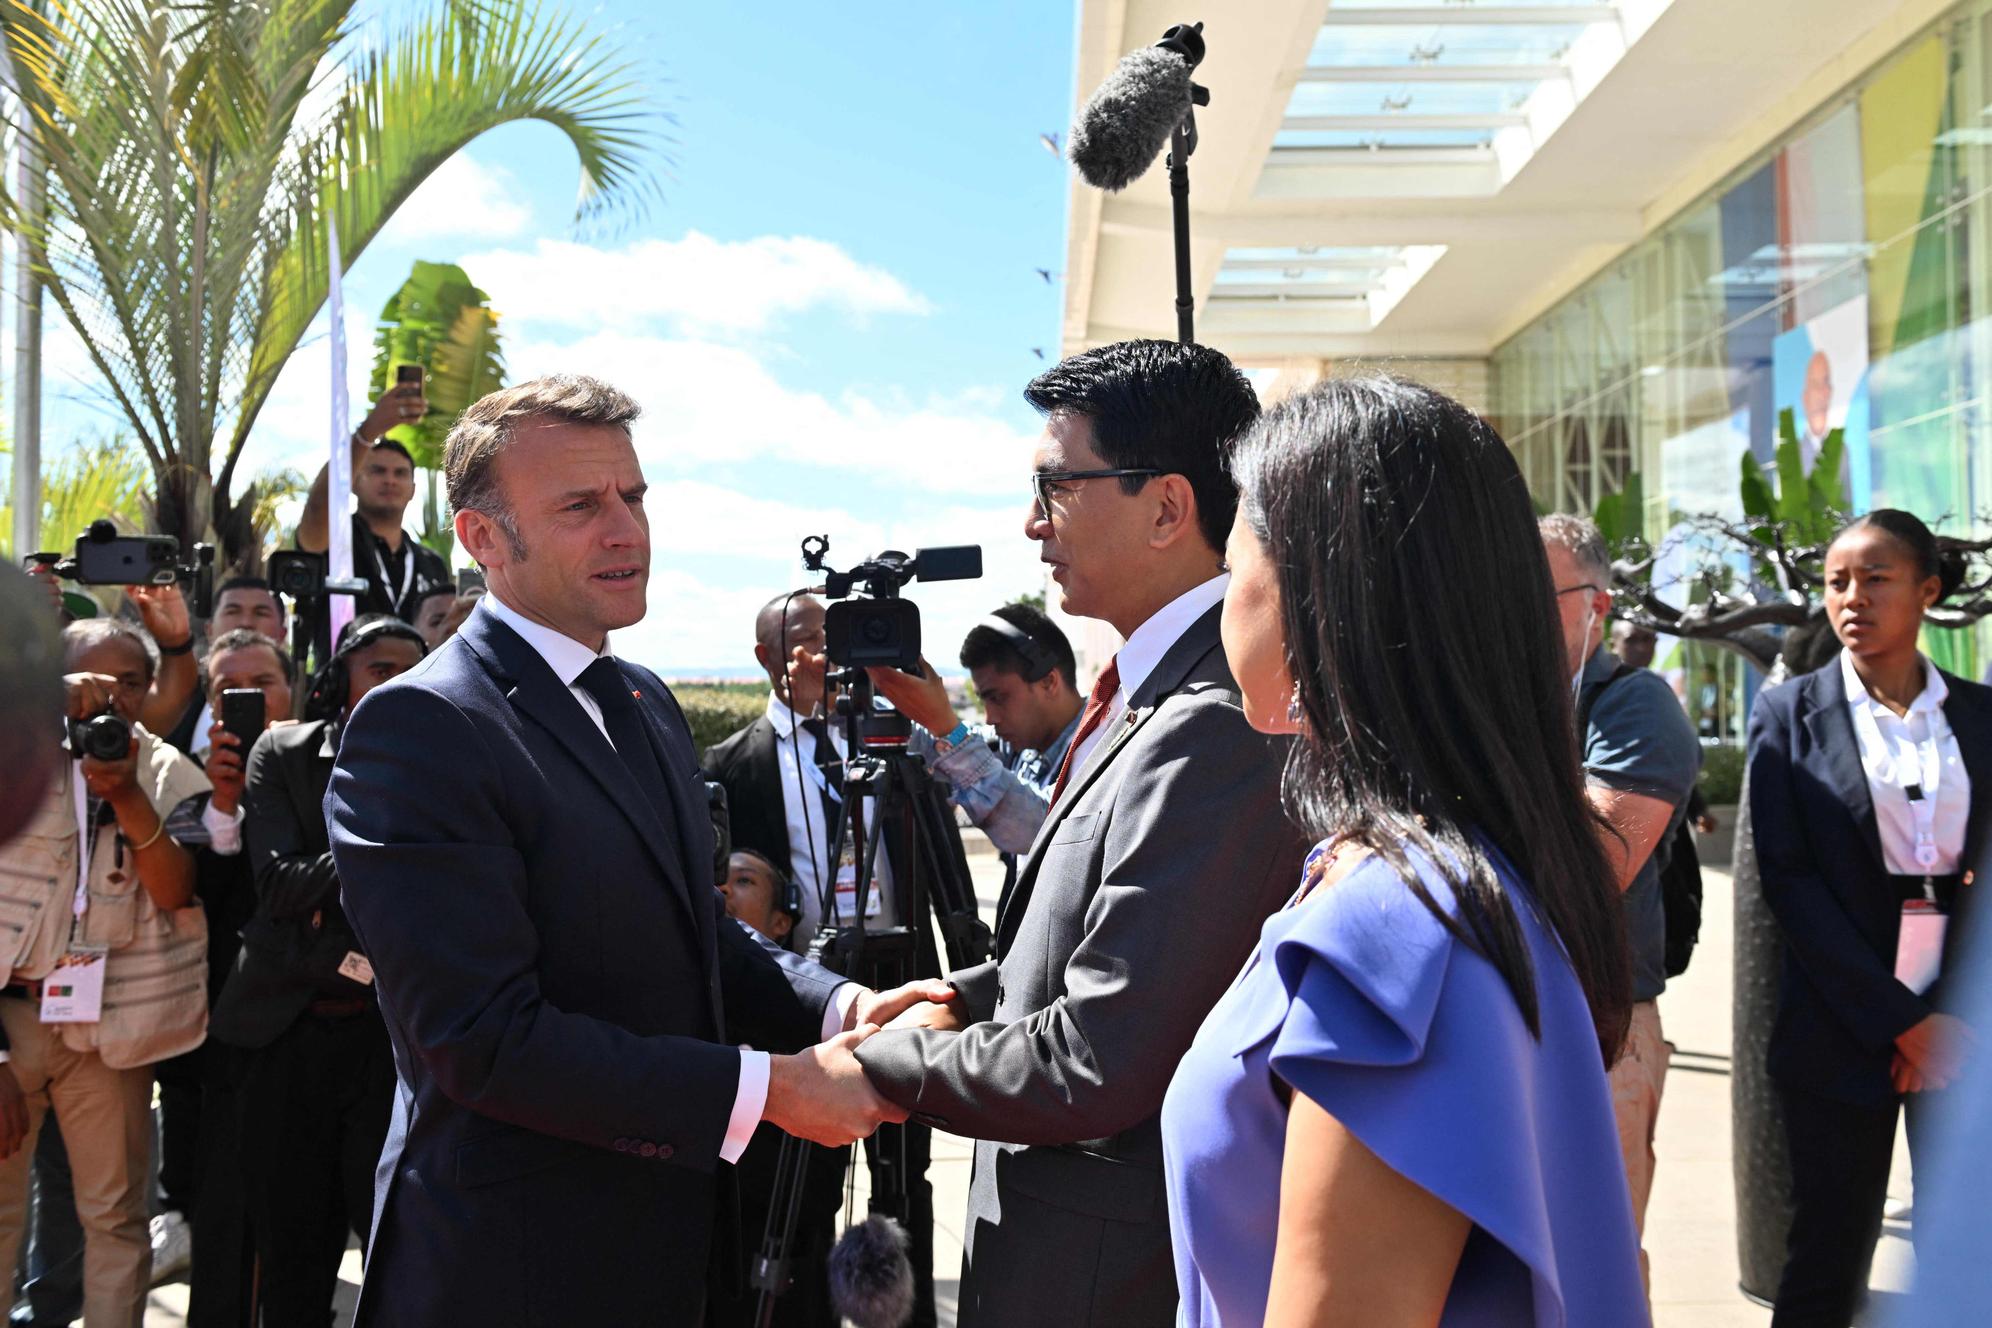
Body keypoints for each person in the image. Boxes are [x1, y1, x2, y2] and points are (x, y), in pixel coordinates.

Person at [325, 375, 947, 1326]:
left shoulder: (645, 702)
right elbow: (483, 1042)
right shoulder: (421, 726)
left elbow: (692, 931)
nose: (627, 530)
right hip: (511, 1271)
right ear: (484, 539)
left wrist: (840, 1004)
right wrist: (772, 1089)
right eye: (581, 505)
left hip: (666, 1252)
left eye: (635, 496)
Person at [1161, 375, 1645, 1326]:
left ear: (1316, 591)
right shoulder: (1410, 880)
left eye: (1234, 555)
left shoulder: (1398, 927)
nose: (1222, 591)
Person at [854, 340, 1306, 1327]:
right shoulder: (1149, 696)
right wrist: (955, 993)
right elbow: (1099, 942)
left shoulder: (1212, 722)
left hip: (1106, 1277)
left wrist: (866, 1067)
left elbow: (1098, 1057)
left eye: (1056, 488)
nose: (1030, 523)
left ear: (1168, 507)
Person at [1747, 509, 1989, 1327]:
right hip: (1836, 1023)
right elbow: (1790, 883)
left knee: (1970, 1255)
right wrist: (1902, 1025)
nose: (1852, 597)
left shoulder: (1984, 718)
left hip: (1968, 1030)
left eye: (1875, 578)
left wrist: (1948, 1020)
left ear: (1926, 590)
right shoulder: (1787, 715)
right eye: (1836, 581)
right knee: (1828, 1255)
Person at [702, 593, 946, 1326]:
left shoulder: (891, 746)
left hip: (897, 984)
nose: (823, 657)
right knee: (797, 1182)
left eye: (831, 640)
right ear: (766, 658)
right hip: (793, 996)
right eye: (805, 640)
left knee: (908, 1176)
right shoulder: (731, 766)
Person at [210, 615, 423, 1324]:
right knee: (293, 1265)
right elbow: (275, 883)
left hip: (389, 1049)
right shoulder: (285, 750)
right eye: (379, 669)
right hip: (283, 1038)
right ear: (337, 682)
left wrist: (327, 888)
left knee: (397, 1255)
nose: (398, 682)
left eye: (412, 667)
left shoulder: (452, 759)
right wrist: (393, 852)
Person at [0, 619, 213, 1325]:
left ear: (150, 692)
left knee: (117, 1220)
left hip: (110, 1028)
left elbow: (177, 890)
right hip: (10, 1022)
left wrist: (124, 794)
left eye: (129, 682)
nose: (111, 698)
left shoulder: (167, 771)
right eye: (91, 679)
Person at [1541, 514, 1701, 1294]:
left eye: (1541, 593)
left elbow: (1593, 866)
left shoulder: (1635, 707)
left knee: (1594, 1271)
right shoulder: (1502, 707)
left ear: (1596, 606)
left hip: (1603, 1029)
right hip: (1506, 1017)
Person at [707, 851, 847, 1328]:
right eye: (720, 878)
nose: (724, 888)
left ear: (782, 920)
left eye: (744, 881)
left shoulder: (807, 1035)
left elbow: (821, 1187)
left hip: (776, 1269)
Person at [866, 603, 1085, 861]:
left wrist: (947, 727)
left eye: (998, 697)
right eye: (984, 700)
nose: (990, 717)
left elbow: (1042, 830)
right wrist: (855, 704)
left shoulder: (1103, 747)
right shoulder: (1021, 748)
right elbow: (934, 743)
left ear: (1049, 682)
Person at [295, 384, 452, 630]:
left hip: (419, 668)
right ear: (353, 483)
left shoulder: (431, 562)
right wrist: (369, 431)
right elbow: (318, 507)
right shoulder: (335, 541)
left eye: (400, 473)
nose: (389, 480)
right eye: (377, 471)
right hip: (345, 668)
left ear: (412, 489)